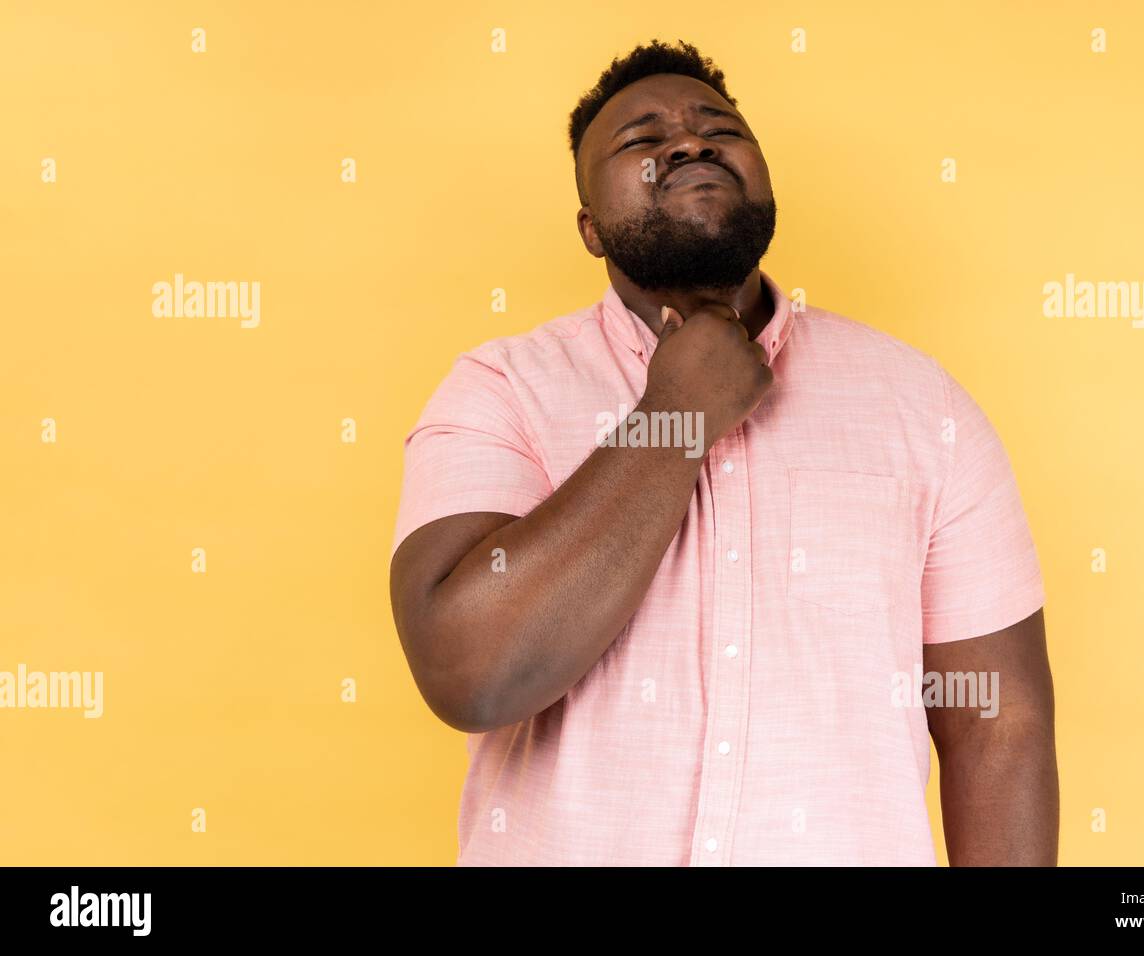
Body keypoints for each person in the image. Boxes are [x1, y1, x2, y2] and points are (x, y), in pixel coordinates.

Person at [389, 39, 1057, 866]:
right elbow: (470, 673)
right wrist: (675, 417)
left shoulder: (925, 405)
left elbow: (998, 727)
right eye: (641, 140)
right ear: (590, 229)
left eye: (719, 128)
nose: (691, 142)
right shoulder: (500, 390)